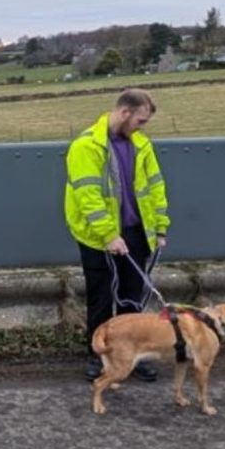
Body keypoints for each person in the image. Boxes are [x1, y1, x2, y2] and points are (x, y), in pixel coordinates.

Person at [65, 88, 171, 383]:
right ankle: (98, 356)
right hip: (97, 239)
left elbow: (156, 187)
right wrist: (109, 235)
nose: (142, 127)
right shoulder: (86, 146)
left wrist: (160, 227)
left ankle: (133, 355)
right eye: (140, 120)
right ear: (124, 113)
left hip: (136, 233)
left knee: (131, 297)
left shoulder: (142, 145)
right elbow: (88, 198)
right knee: (100, 297)